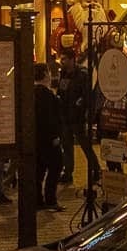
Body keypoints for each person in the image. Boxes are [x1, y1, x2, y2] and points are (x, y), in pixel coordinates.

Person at [56, 51, 100, 187]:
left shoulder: (81, 75)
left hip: (77, 117)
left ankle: (96, 169)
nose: (62, 61)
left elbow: (87, 95)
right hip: (65, 116)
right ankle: (68, 172)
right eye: (61, 59)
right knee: (67, 145)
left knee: (85, 145)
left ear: (72, 60)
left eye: (64, 59)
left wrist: (81, 105)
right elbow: (61, 91)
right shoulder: (63, 74)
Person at [35, 63, 63, 210]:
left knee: (39, 169)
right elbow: (50, 118)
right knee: (56, 165)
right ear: (46, 74)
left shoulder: (32, 93)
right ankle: (50, 198)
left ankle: (38, 199)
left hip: (36, 138)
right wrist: (55, 136)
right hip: (48, 139)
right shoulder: (46, 95)